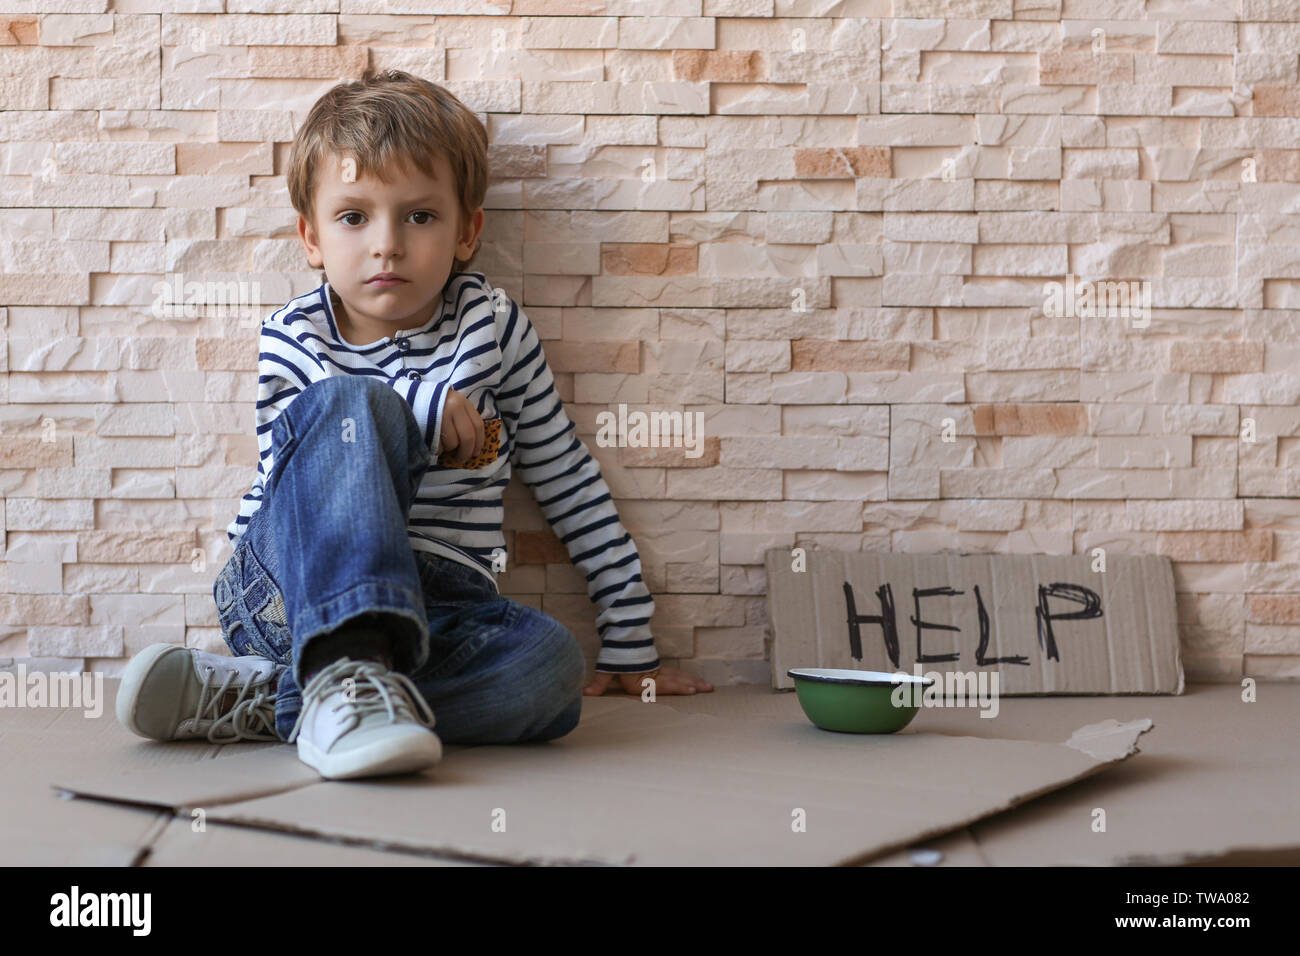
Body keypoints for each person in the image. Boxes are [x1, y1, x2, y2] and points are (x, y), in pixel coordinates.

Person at [116, 69, 711, 780]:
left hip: (442, 607)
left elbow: (567, 478)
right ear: (311, 237)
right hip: (290, 589)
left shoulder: (493, 328)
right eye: (354, 217)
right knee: (350, 411)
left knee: (547, 672)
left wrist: (629, 638)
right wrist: (424, 405)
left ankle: (263, 698)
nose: (387, 244)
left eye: (420, 216)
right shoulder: (295, 333)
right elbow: (323, 446)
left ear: (468, 231)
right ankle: (337, 668)